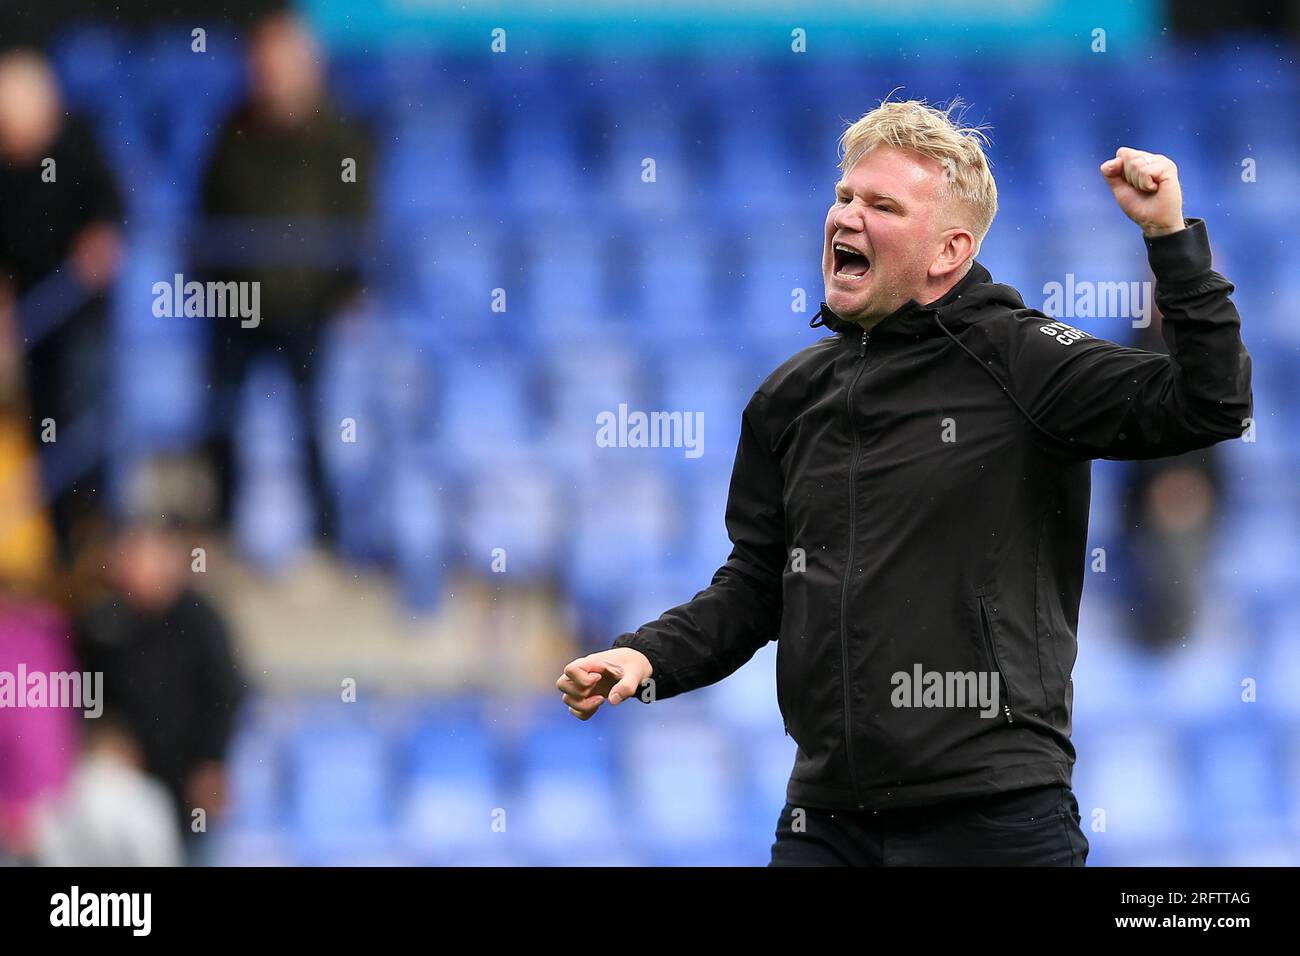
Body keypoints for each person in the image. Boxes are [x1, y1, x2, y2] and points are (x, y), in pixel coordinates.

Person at [556, 100, 1252, 866]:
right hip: (826, 821)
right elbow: (758, 584)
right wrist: (649, 657)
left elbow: (1211, 403)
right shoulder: (789, 399)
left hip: (993, 820)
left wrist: (1169, 240)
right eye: (845, 196)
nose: (847, 217)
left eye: (882, 205)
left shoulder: (1024, 362)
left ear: (949, 250)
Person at [198, 11, 372, 541]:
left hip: (307, 305)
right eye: (263, 59)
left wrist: (349, 286)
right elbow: (210, 211)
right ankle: (225, 531)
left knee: (312, 427)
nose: (270, 71)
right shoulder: (232, 130)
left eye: (281, 59)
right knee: (223, 421)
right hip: (238, 304)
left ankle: (326, 538)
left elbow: (356, 215)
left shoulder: (341, 135)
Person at [0, 49, 122, 560]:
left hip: (80, 312)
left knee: (85, 413)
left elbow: (109, 223)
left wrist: (96, 247)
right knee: (44, 416)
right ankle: (60, 545)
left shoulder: (80, 144)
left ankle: (99, 528)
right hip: (33, 314)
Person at [75, 519, 246, 854]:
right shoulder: (102, 625)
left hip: (189, 781)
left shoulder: (200, 620)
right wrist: (103, 734)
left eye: (142, 555)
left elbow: (226, 693)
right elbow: (87, 695)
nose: (129, 564)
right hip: (131, 787)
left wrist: (212, 760)